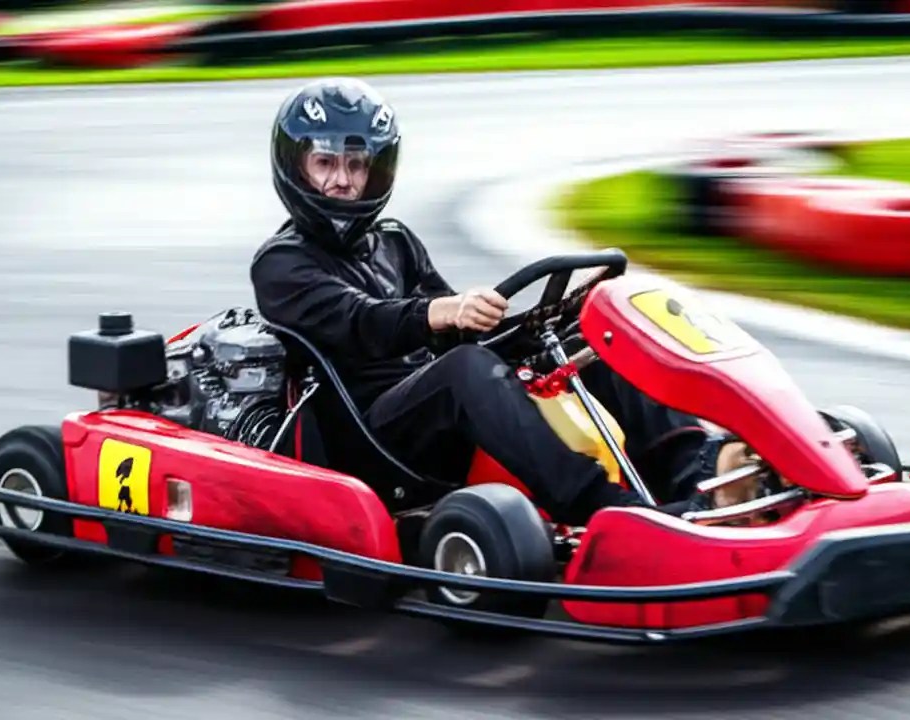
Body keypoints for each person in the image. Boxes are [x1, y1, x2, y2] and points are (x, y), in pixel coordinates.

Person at [250, 77, 749, 526]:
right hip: (371, 439)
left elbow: (461, 329)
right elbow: (361, 320)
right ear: (296, 166)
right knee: (467, 369)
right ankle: (607, 510)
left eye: (357, 164)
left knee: (593, 344)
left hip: (439, 410)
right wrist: (442, 313)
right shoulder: (281, 264)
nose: (344, 180)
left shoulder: (395, 241)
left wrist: (543, 319)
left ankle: (701, 476)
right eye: (326, 163)